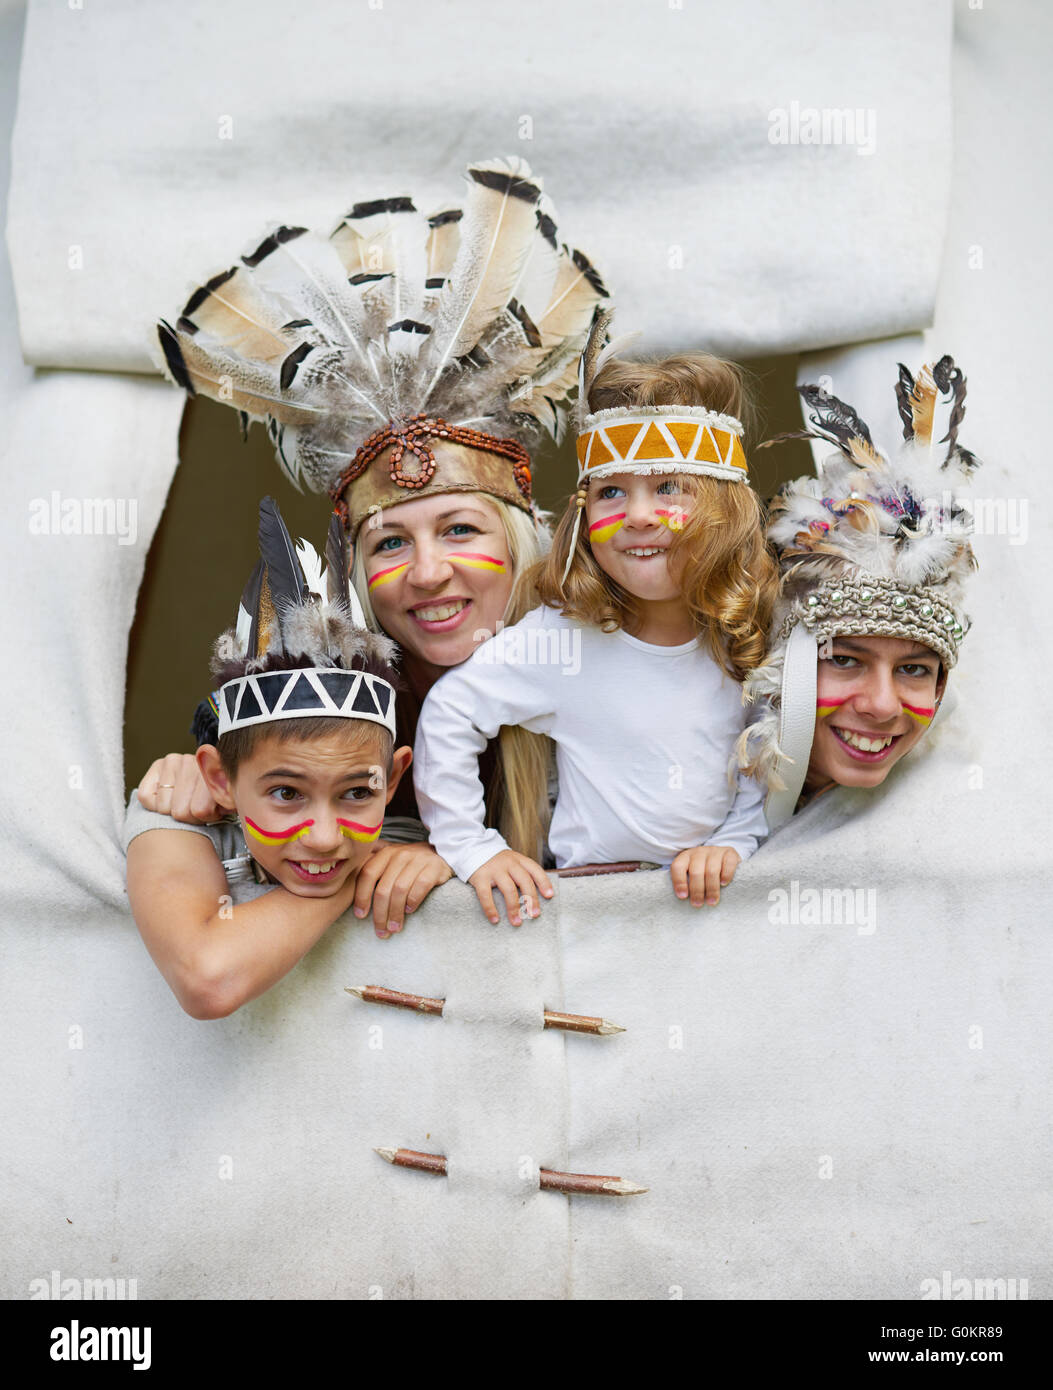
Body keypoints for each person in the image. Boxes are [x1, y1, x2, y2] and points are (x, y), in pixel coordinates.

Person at [138, 156, 609, 931]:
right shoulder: (326, 683)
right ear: (353, 568)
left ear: (522, 543)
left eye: (460, 530)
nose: (427, 573)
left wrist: (456, 853)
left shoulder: (603, 655)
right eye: (390, 544)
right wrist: (178, 790)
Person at [412, 314, 780, 926]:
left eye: (670, 486)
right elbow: (451, 715)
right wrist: (473, 848)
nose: (637, 514)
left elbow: (761, 760)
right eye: (611, 492)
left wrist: (733, 843)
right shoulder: (566, 639)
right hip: (591, 913)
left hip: (715, 919)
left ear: (726, 511)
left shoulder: (750, 635)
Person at [124, 498, 430, 1019]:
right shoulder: (168, 826)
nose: (326, 837)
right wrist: (355, 876)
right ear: (219, 778)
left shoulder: (416, 844)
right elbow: (208, 980)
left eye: (357, 792)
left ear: (395, 776)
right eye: (287, 793)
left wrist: (440, 859)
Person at [738, 356, 979, 827]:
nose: (883, 705)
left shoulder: (956, 820)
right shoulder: (680, 807)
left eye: (914, 669)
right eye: (844, 660)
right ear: (783, 666)